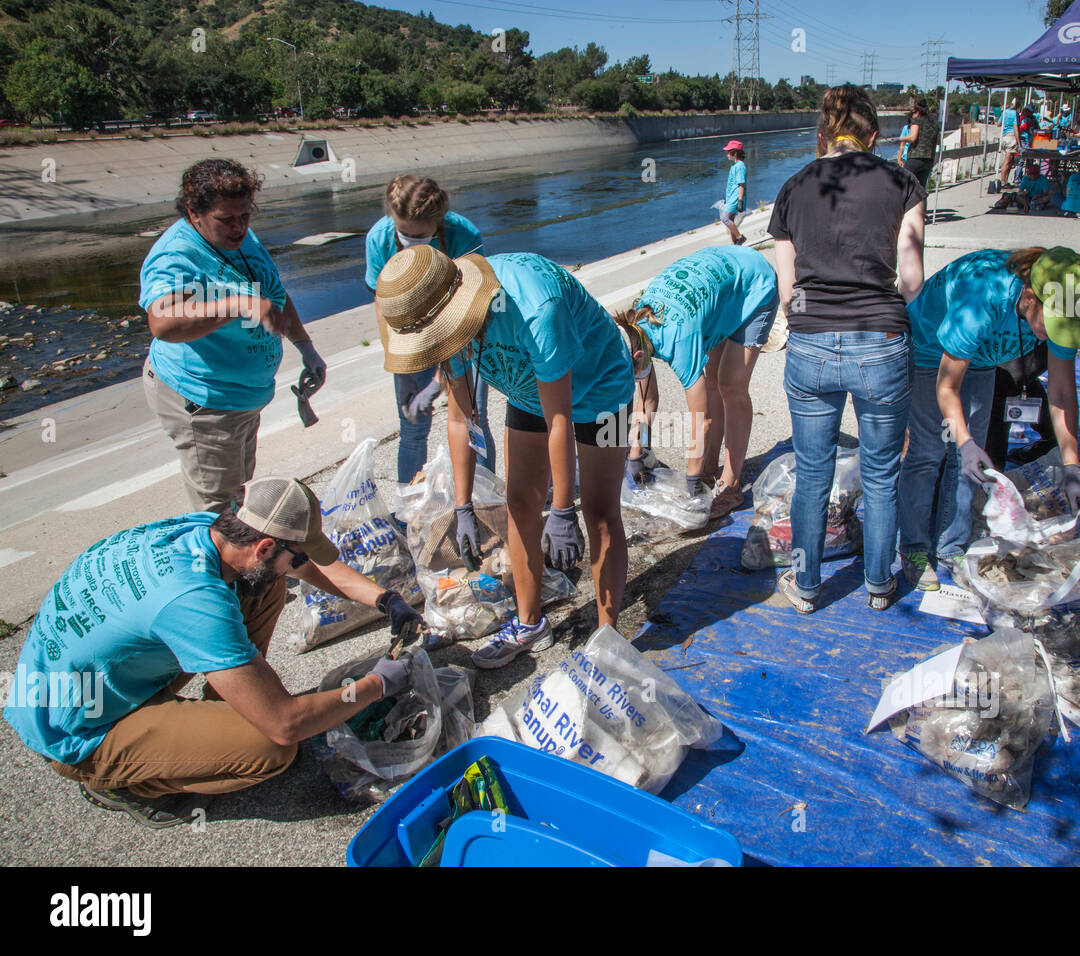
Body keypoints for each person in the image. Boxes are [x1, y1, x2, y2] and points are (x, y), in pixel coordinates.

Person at [3, 476, 426, 827]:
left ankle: (225, 704)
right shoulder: (195, 601)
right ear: (263, 547)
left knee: (266, 584)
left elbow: (298, 566)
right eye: (294, 553)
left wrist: (386, 601)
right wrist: (374, 685)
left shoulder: (206, 530)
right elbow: (285, 725)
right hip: (78, 730)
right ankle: (119, 782)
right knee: (272, 747)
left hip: (97, 680)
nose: (299, 564)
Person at [374, 246, 633, 669]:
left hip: (606, 387)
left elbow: (560, 421)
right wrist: (462, 507)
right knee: (520, 501)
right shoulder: (440, 320)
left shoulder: (535, 307)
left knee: (601, 513)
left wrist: (564, 508)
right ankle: (530, 623)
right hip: (530, 392)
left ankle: (608, 639)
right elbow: (459, 419)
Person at [768, 84, 926, 613]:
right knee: (882, 473)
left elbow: (788, 291)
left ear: (823, 135)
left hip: (810, 341)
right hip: (880, 342)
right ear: (874, 136)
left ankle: (808, 586)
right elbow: (911, 279)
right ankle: (880, 585)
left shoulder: (793, 187)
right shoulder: (903, 182)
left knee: (812, 473)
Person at [896, 247, 1080, 590]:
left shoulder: (1067, 306)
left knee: (971, 462)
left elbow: (1062, 394)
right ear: (1030, 297)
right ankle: (914, 547)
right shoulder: (984, 296)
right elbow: (948, 386)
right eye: (1051, 328)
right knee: (929, 452)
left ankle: (953, 547)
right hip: (931, 354)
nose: (1053, 340)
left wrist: (1072, 466)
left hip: (981, 361)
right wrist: (964, 440)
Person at [140, 159, 327, 512]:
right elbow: (162, 324)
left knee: (241, 497)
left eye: (245, 216)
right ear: (195, 212)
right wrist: (239, 305)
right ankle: (218, 567)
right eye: (227, 219)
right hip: (204, 400)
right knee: (219, 515)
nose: (239, 227)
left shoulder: (240, 236)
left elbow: (274, 292)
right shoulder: (176, 256)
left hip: (243, 398)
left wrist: (305, 347)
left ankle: (242, 565)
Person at [615, 246, 779, 518]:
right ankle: (708, 467)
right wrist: (636, 453)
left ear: (638, 356)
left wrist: (690, 482)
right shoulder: (634, 327)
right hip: (721, 287)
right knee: (712, 379)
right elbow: (647, 401)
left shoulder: (678, 340)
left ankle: (732, 484)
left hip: (754, 284)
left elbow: (699, 420)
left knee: (730, 385)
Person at [365, 175, 495, 483]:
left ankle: (484, 501)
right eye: (404, 233)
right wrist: (400, 362)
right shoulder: (379, 239)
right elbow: (384, 305)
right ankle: (408, 510)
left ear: (438, 223)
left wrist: (439, 382)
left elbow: (473, 314)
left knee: (472, 419)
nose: (411, 240)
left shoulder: (463, 234)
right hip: (412, 333)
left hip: (465, 326)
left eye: (420, 235)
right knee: (411, 426)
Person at [898, 99, 940, 190]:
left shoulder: (917, 121)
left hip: (915, 157)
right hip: (929, 159)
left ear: (917, 111)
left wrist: (899, 139)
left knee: (904, 184)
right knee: (921, 189)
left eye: (913, 112)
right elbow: (938, 142)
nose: (912, 115)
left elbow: (912, 137)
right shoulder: (935, 124)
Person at [720, 140, 748, 245]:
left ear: (735, 153)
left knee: (725, 218)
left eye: (728, 152)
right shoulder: (734, 166)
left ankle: (740, 237)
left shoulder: (740, 166)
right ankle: (734, 243)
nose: (727, 154)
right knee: (730, 219)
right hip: (731, 197)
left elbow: (741, 184)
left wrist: (740, 200)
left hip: (736, 197)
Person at [997, 98, 1020, 190]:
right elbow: (1016, 128)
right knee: (1008, 162)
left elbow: (998, 124)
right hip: (1012, 138)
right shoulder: (1015, 114)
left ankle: (1005, 181)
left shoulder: (1004, 112)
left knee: (1008, 161)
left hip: (1004, 137)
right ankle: (1003, 181)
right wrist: (1019, 142)